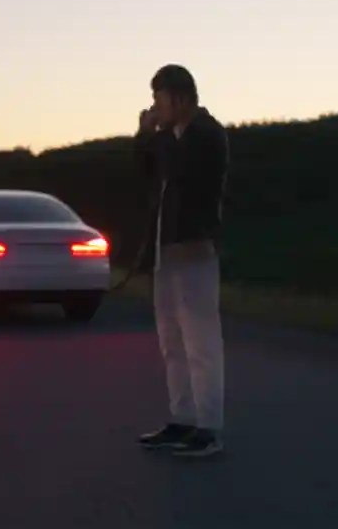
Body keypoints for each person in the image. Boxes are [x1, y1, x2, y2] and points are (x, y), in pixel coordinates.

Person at [134, 64, 229, 458]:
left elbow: (179, 169)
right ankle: (181, 419)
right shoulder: (169, 138)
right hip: (166, 252)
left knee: (200, 342)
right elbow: (145, 171)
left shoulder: (206, 134)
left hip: (193, 250)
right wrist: (145, 136)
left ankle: (208, 428)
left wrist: (155, 135)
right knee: (171, 342)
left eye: (159, 98)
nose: (154, 106)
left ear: (179, 97)